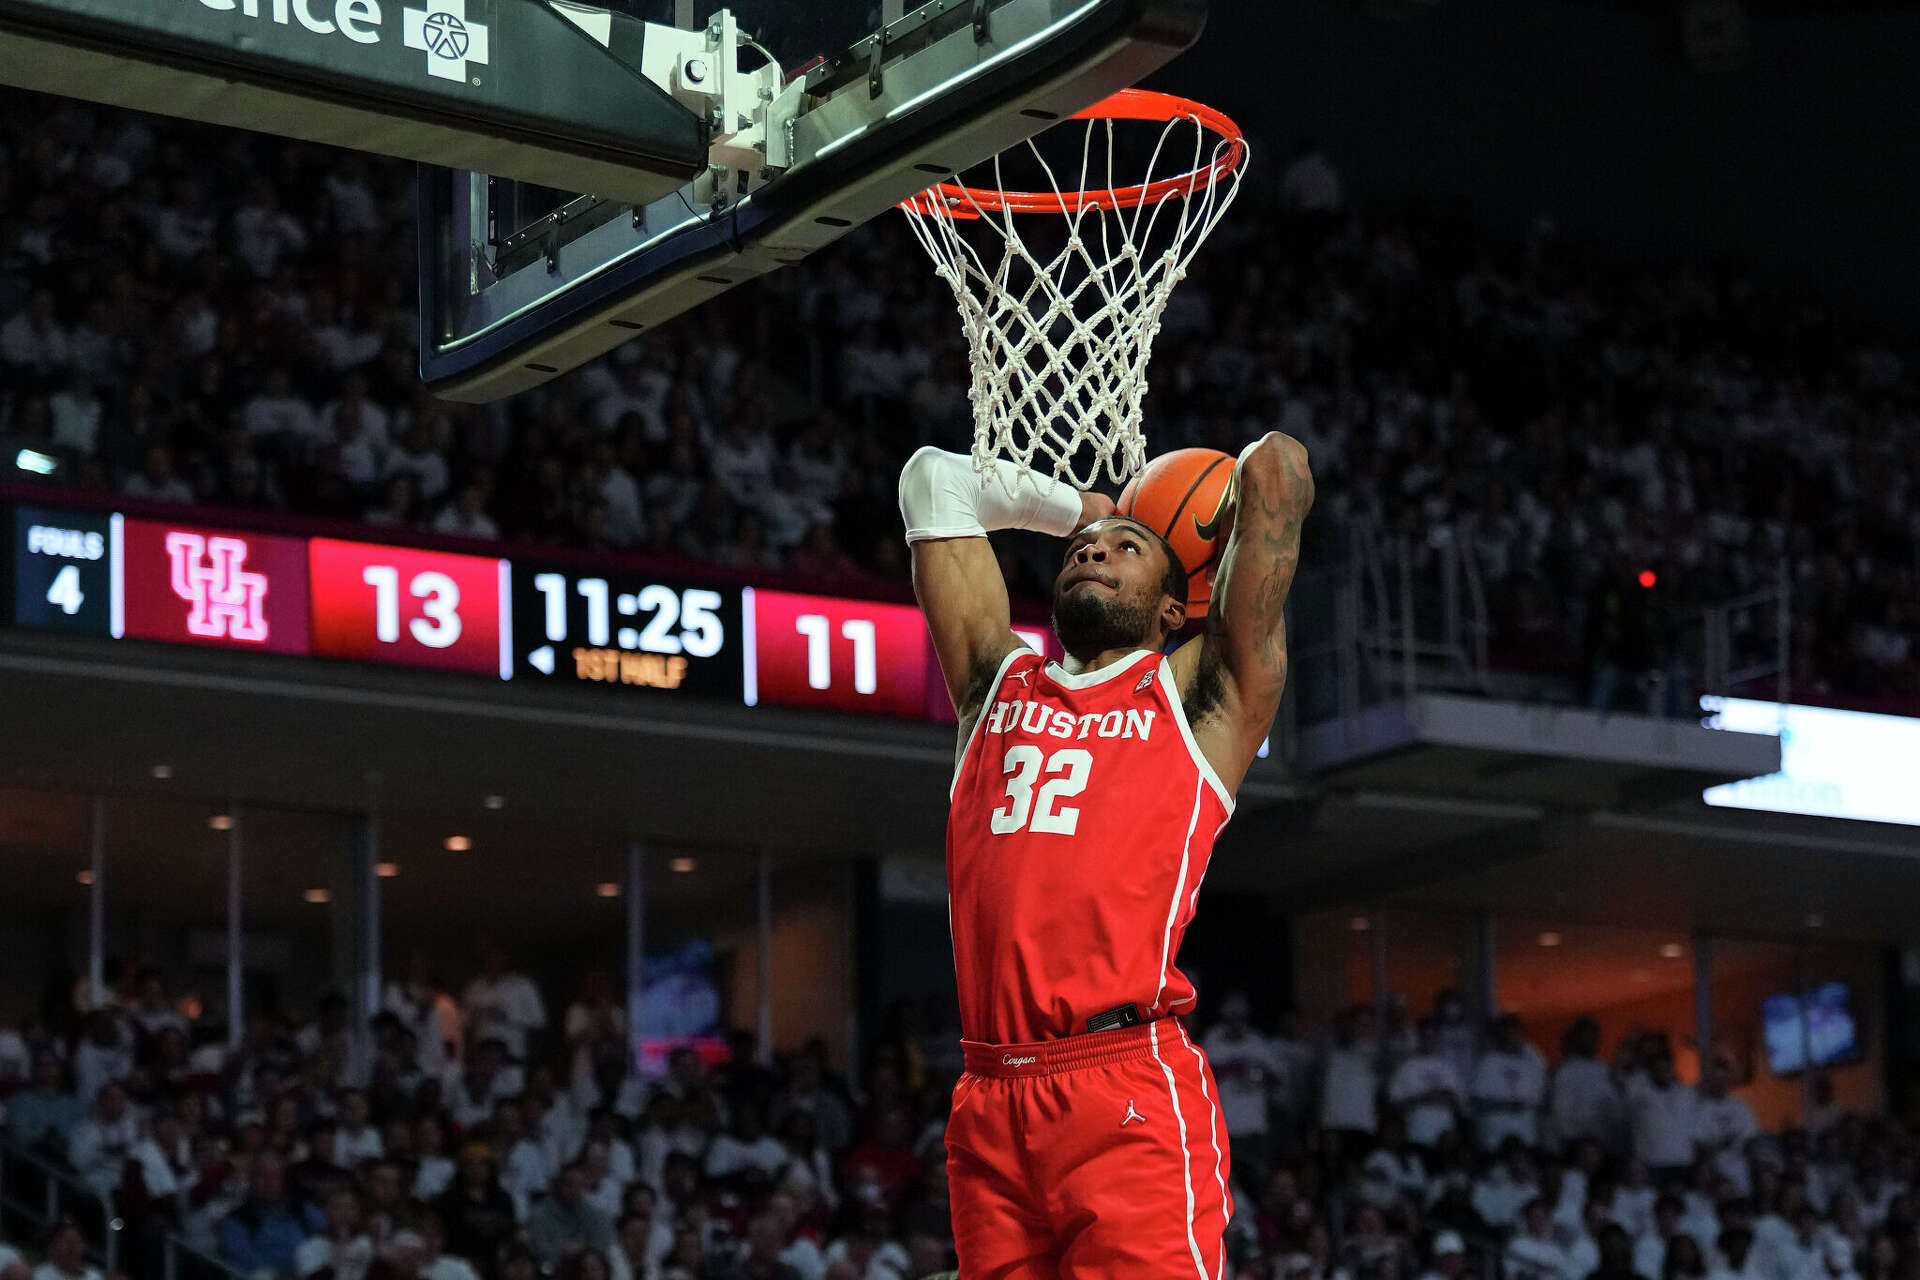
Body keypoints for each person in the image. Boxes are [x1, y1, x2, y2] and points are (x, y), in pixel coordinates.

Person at [898, 431, 1314, 1277]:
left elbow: (1281, 471)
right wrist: (1083, 511)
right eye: (1082, 553)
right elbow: (931, 481)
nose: (1092, 554)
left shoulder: (1200, 700)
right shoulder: (996, 684)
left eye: (1124, 551)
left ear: (1175, 608)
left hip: (1122, 1084)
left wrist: (1188, 514)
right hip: (988, 1093)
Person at [1200, 993, 1282, 1193]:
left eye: (1239, 1019)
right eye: (1231, 1019)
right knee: (1223, 1184)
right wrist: (1227, 1068)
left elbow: (1277, 1078)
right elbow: (1196, 1077)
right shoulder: (1212, 1041)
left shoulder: (1257, 1043)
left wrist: (1253, 1072)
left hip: (1254, 1128)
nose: (1235, 1024)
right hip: (1222, 1130)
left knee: (1257, 1183)